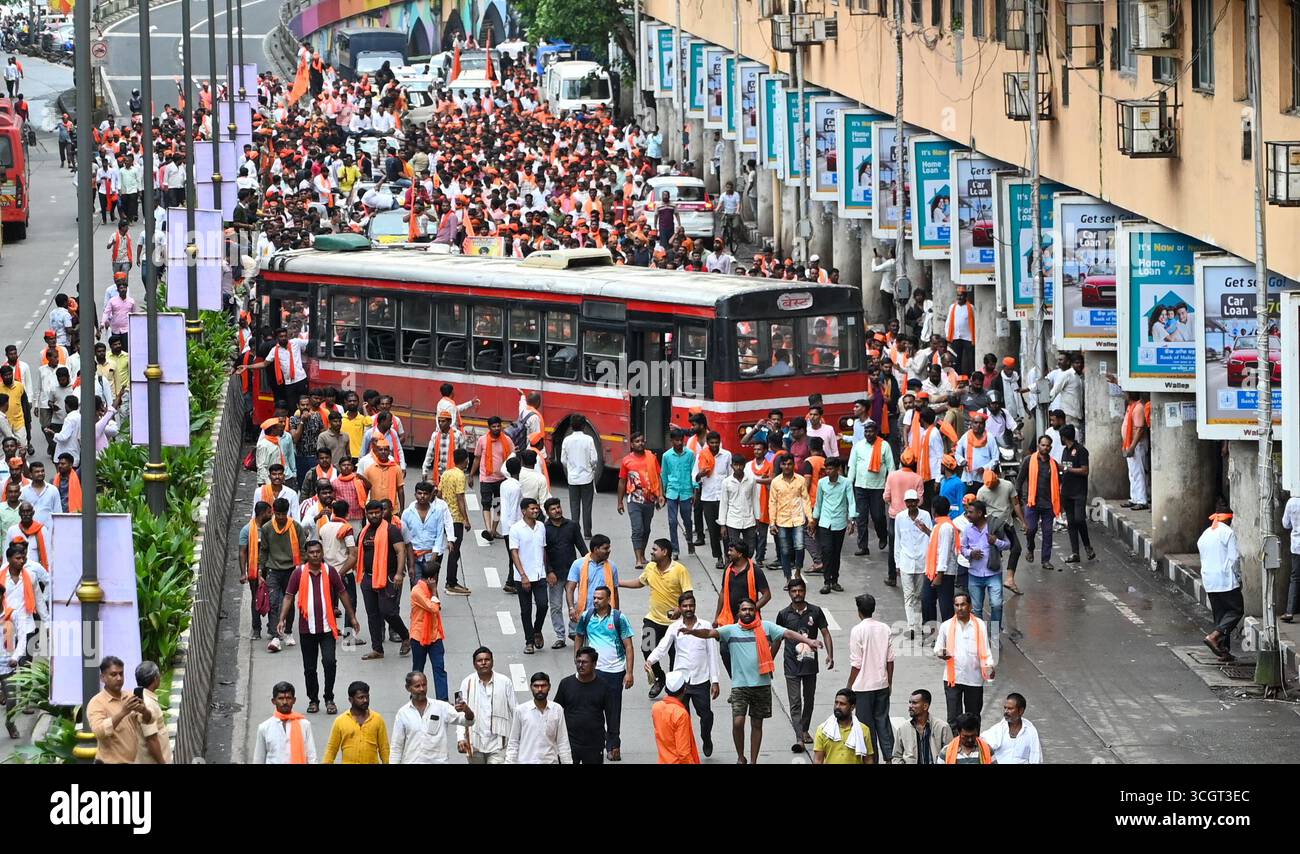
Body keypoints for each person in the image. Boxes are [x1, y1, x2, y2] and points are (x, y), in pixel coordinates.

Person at [681, 598, 823, 764]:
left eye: (750, 609)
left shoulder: (766, 627)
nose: (747, 612)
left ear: (755, 612)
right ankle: (741, 757)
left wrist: (809, 641)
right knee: (738, 722)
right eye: (744, 609)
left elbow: (788, 633)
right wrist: (692, 632)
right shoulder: (731, 630)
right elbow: (709, 633)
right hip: (740, 686)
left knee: (757, 725)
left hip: (761, 685)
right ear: (739, 613)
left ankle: (753, 760)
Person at [277, 540, 360, 716]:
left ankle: (329, 698)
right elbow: (289, 596)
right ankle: (313, 700)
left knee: (330, 663)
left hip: (328, 628)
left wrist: (352, 616)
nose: (315, 555)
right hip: (307, 628)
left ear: (322, 553)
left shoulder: (330, 572)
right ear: (306, 555)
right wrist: (282, 619)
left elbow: (343, 592)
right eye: (312, 552)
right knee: (309, 668)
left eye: (318, 552)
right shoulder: (298, 573)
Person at [645, 591, 722, 757]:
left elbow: (713, 655)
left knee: (706, 715)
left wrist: (715, 680)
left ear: (695, 606)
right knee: (682, 717)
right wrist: (650, 660)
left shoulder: (706, 626)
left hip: (702, 679)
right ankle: (685, 747)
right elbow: (662, 647)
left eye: (691, 605)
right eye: (685, 606)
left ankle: (706, 737)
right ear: (680, 608)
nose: (688, 608)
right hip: (681, 682)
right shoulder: (674, 627)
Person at [574, 586, 635, 761]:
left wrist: (629, 672)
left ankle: (613, 745)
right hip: (594, 673)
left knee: (613, 711)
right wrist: (578, 659)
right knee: (593, 711)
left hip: (615, 672)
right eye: (594, 598)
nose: (595, 601)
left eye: (600, 598)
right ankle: (598, 744)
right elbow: (579, 636)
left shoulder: (619, 618)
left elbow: (628, 647)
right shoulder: (587, 616)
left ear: (609, 599)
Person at [775, 578, 832, 753]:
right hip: (791, 665)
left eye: (800, 590)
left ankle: (804, 729)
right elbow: (777, 639)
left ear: (805, 591)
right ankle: (799, 738)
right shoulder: (783, 614)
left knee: (809, 699)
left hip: (809, 665)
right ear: (789, 593)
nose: (797, 594)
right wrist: (769, 661)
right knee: (795, 702)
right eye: (794, 591)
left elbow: (825, 633)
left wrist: (830, 655)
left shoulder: (816, 611)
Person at [357, 500, 410, 660]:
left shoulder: (391, 530)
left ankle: (405, 635)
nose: (373, 515)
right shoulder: (364, 531)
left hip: (387, 577)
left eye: (377, 512)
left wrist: (399, 574)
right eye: (370, 513)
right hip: (368, 578)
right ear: (366, 514)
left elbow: (401, 551)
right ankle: (377, 649)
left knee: (388, 611)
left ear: (382, 513)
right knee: (372, 614)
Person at [845, 592, 895, 759]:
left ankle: (871, 760)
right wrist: (889, 682)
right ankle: (890, 757)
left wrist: (849, 686)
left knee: (866, 727)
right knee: (883, 723)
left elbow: (856, 664)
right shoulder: (885, 628)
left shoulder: (857, 631)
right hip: (881, 684)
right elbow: (890, 660)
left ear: (859, 610)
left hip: (863, 687)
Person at [934, 591, 996, 728]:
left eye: (963, 604)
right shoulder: (946, 626)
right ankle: (955, 748)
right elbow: (938, 648)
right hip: (952, 678)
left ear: (970, 606)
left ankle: (974, 747)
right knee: (953, 720)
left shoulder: (979, 625)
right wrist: (942, 653)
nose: (959, 608)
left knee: (973, 718)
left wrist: (989, 666)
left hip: (974, 678)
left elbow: (985, 649)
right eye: (956, 605)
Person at [391, 670, 474, 764]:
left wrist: (466, 709)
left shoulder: (442, 707)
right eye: (417, 686)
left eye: (424, 685)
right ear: (408, 688)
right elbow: (396, 747)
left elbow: (468, 722)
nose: (422, 689)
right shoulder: (403, 713)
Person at [259, 498, 307, 653]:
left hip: (291, 570)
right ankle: (275, 635)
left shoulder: (295, 527)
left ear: (287, 513)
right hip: (273, 570)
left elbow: (303, 548)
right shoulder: (267, 528)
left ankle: (288, 632)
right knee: (273, 603)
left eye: (283, 514)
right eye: (277, 514)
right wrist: (261, 570)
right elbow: (264, 550)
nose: (280, 517)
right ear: (273, 512)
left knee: (289, 602)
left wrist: (302, 566)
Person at [554, 646, 616, 764]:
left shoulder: (604, 687)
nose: (580, 665)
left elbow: (611, 716)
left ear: (594, 664)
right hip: (569, 743)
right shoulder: (566, 684)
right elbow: (555, 711)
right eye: (578, 661)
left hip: (594, 744)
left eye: (585, 662)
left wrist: (613, 742)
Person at [86, 655, 151, 764]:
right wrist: (123, 712)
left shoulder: (130, 697)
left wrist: (144, 710)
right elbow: (99, 732)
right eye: (113, 674)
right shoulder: (96, 703)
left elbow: (148, 721)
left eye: (121, 673)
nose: (119, 678)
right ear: (102, 678)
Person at [1198, 505, 1243, 663]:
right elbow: (1234, 558)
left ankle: (1224, 652)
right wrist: (1239, 578)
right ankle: (1214, 636)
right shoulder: (1228, 533)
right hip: (1225, 579)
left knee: (1221, 615)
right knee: (1236, 610)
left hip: (1209, 580)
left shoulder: (1205, 534)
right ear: (1229, 519)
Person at [456, 647, 515, 765]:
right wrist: (460, 738)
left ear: (492, 662)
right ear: (474, 664)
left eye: (487, 659)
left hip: (498, 743)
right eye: (480, 660)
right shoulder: (467, 682)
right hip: (474, 742)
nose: (483, 663)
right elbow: (461, 713)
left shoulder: (505, 682)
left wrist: (517, 738)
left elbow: (515, 710)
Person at [847, 419, 894, 557]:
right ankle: (863, 546)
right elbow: (853, 466)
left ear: (876, 432)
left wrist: (890, 486)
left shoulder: (884, 446)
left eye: (871, 431)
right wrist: (849, 483)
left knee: (878, 516)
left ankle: (883, 535)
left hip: (878, 487)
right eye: (866, 431)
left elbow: (891, 467)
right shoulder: (858, 446)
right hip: (860, 487)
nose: (868, 433)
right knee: (861, 518)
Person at [509, 497, 550, 654]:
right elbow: (514, 552)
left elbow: (544, 549)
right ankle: (529, 641)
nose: (535, 511)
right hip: (523, 577)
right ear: (524, 511)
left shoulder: (541, 526)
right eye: (532, 509)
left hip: (540, 575)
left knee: (542, 605)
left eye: (536, 508)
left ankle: (537, 630)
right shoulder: (516, 529)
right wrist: (523, 575)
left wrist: (548, 570)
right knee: (526, 610)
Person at [616, 431, 664, 566]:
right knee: (638, 529)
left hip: (649, 500)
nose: (640, 443)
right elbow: (622, 481)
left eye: (642, 441)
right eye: (637, 441)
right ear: (632, 444)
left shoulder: (651, 457)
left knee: (646, 529)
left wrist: (660, 495)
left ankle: (642, 554)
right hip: (634, 500)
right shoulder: (627, 460)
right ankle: (638, 559)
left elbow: (658, 477)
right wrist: (620, 502)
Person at [961, 500, 1009, 629]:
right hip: (974, 575)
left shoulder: (994, 526)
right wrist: (971, 553)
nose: (968, 515)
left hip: (993, 573)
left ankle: (994, 637)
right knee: (976, 610)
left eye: (971, 512)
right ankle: (980, 638)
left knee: (997, 605)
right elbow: (962, 548)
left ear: (980, 513)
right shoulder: (967, 529)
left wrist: (996, 542)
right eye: (967, 512)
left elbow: (1008, 544)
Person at [810, 456, 855, 594]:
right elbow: (819, 503)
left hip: (839, 522)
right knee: (826, 551)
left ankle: (834, 580)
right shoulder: (822, 483)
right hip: (824, 522)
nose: (828, 471)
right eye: (826, 469)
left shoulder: (846, 483)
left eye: (830, 469)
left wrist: (851, 520)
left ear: (837, 469)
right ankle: (826, 581)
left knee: (836, 553)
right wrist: (814, 520)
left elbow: (851, 501)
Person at [506, 672, 573, 764]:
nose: (540, 689)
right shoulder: (521, 710)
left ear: (549, 687)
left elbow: (563, 742)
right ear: (531, 687)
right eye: (536, 686)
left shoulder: (557, 709)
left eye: (543, 686)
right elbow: (513, 742)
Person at [1017, 434, 1062, 570]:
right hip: (1032, 502)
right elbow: (1020, 479)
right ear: (1038, 445)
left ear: (1051, 447)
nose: (1045, 447)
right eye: (1043, 445)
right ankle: (1030, 548)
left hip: (1048, 504)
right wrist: (1016, 497)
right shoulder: (1028, 460)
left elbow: (1059, 483)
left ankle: (1045, 560)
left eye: (1048, 445)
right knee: (1031, 529)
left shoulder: (1053, 464)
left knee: (1048, 532)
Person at [407, 560, 449, 697]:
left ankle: (443, 699)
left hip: (435, 636)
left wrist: (433, 591)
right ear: (433, 577)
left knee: (439, 669)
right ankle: (415, 697)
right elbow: (433, 608)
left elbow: (437, 606)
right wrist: (435, 590)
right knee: (418, 671)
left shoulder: (430, 590)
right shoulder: (417, 591)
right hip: (419, 637)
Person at [769, 453, 811, 586]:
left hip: (798, 519)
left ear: (794, 465)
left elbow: (806, 500)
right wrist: (772, 523)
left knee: (799, 547)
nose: (787, 467)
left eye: (789, 464)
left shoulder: (801, 480)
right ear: (781, 465)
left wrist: (810, 518)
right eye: (784, 464)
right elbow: (772, 503)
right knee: (785, 550)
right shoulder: (775, 482)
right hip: (782, 521)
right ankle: (788, 578)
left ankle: (798, 571)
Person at [894, 489, 932, 637]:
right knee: (908, 596)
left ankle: (918, 623)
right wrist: (897, 563)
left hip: (922, 561)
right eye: (908, 502)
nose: (910, 504)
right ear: (905, 503)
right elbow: (897, 540)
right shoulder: (900, 518)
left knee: (919, 595)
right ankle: (911, 626)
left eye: (913, 502)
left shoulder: (926, 516)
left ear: (917, 502)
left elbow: (931, 537)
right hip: (906, 561)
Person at [323, 680, 390, 764]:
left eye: (367, 697)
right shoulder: (340, 721)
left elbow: (384, 749)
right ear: (351, 700)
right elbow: (331, 749)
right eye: (361, 697)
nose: (365, 700)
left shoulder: (378, 719)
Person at [254, 681, 317, 764]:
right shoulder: (264, 728)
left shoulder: (304, 725)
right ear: (273, 701)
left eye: (288, 698)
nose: (285, 702)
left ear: (294, 700)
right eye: (280, 698)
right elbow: (259, 759)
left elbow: (312, 756)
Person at [1058, 424, 1096, 563]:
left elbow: (1085, 471)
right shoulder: (1064, 451)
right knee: (1071, 523)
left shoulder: (1081, 451)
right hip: (1066, 491)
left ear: (1064, 437)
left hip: (1079, 492)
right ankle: (1075, 553)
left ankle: (1087, 547)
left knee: (1080, 519)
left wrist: (1067, 468)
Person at [559, 414, 598, 539]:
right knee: (587, 506)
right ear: (583, 425)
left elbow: (563, 460)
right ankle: (587, 533)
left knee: (574, 507)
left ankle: (575, 533)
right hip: (587, 477)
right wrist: (591, 468)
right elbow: (594, 459)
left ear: (571, 425)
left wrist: (570, 469)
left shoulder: (566, 440)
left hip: (573, 479)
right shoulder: (589, 439)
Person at [439, 449, 472, 595]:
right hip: (455, 519)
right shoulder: (460, 476)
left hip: (445, 517)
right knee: (454, 551)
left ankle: (452, 580)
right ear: (465, 460)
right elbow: (460, 499)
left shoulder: (446, 473)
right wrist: (466, 519)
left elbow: (439, 494)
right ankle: (451, 583)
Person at [812, 689, 875, 765]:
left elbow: (868, 759)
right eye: (836, 703)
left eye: (842, 704)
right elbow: (818, 760)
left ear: (852, 707)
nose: (837, 707)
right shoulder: (823, 730)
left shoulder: (863, 730)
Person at [660, 428, 696, 558]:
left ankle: (690, 540)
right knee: (672, 521)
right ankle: (675, 549)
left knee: (687, 520)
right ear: (671, 441)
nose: (679, 443)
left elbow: (693, 473)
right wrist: (662, 494)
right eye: (676, 440)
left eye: (681, 440)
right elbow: (663, 475)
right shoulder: (667, 456)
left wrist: (695, 490)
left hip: (686, 492)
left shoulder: (690, 454)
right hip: (672, 492)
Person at [651, 670, 701, 763]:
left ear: (666, 689)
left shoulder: (656, 708)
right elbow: (683, 752)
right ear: (684, 689)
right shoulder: (680, 714)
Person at [890, 688, 952, 764]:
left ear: (925, 706)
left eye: (914, 703)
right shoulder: (903, 728)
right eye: (910, 702)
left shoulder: (942, 727)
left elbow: (950, 754)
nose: (910, 706)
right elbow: (896, 756)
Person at [982, 692, 1042, 764]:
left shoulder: (1030, 731)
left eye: (1010, 709)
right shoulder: (998, 729)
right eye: (1005, 708)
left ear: (1021, 711)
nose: (1006, 711)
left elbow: (1036, 757)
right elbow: (982, 744)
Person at [1120, 391, 1149, 511]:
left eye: (1126, 393)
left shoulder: (1138, 408)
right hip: (1130, 443)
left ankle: (1142, 500)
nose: (1124, 395)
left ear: (1130, 395)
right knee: (1132, 473)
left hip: (1136, 445)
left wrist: (1132, 446)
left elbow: (1140, 429)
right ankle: (1134, 498)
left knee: (1138, 472)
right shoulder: (1131, 406)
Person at [1283, 492, 1300, 622]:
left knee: (1295, 578)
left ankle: (1289, 611)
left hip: (1297, 546)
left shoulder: (1292, 502)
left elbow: (1285, 524)